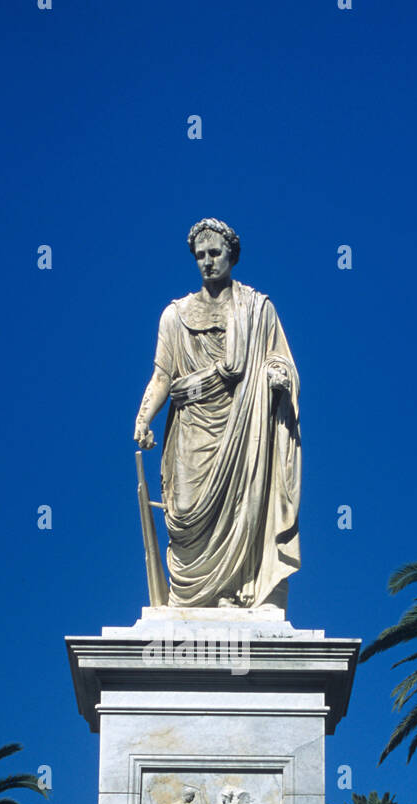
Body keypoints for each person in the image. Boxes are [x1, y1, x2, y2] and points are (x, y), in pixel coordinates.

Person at [134, 218, 301, 609]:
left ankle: (234, 592)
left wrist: (277, 373)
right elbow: (162, 374)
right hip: (191, 427)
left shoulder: (258, 311)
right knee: (187, 513)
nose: (207, 262)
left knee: (243, 507)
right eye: (200, 256)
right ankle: (189, 599)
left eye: (215, 253)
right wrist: (143, 418)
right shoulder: (175, 316)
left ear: (232, 256)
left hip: (245, 427)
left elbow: (281, 359)